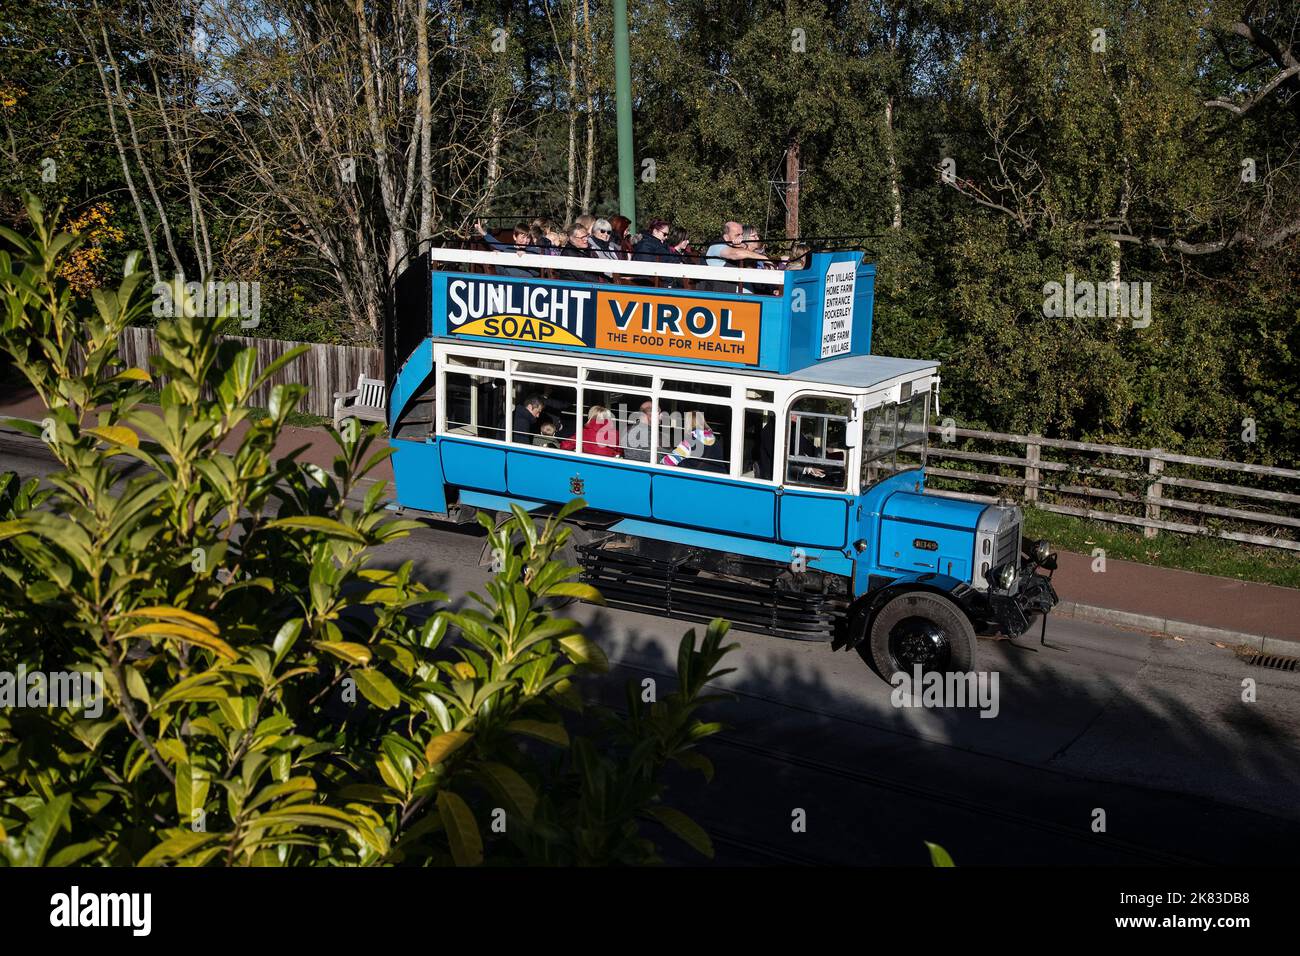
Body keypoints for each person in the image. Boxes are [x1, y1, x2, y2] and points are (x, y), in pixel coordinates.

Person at [703, 220, 772, 292]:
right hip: (727, 297)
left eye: (742, 234)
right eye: (737, 235)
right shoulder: (716, 246)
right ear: (726, 237)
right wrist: (764, 258)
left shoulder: (738, 248)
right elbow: (736, 254)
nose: (741, 238)